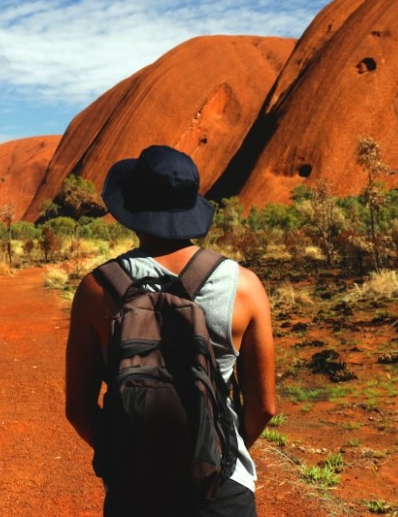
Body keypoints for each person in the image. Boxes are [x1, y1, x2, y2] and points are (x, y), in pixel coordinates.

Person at [65, 144, 276, 517]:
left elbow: (79, 409)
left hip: (134, 491)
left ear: (133, 208)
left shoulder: (97, 289)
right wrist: (217, 453)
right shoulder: (244, 286)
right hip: (222, 493)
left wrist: (127, 458)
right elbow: (264, 407)